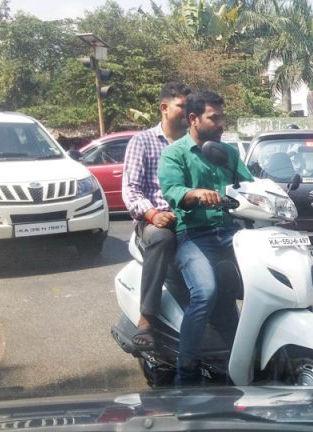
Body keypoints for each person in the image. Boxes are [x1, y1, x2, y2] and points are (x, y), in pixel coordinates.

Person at [158, 91, 254, 386]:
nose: (221, 124)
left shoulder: (228, 153)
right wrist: (195, 193)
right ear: (193, 119)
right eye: (214, 118)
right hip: (193, 234)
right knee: (206, 291)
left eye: (222, 117)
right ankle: (185, 373)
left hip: (231, 233)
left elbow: (250, 184)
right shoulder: (175, 154)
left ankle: (253, 357)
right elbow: (172, 191)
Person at [122, 82, 191, 350]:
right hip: (153, 220)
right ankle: (147, 318)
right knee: (162, 239)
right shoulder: (142, 141)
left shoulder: (194, 144)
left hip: (189, 219)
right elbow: (131, 189)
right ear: (164, 107)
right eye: (182, 106)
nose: (188, 113)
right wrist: (152, 214)